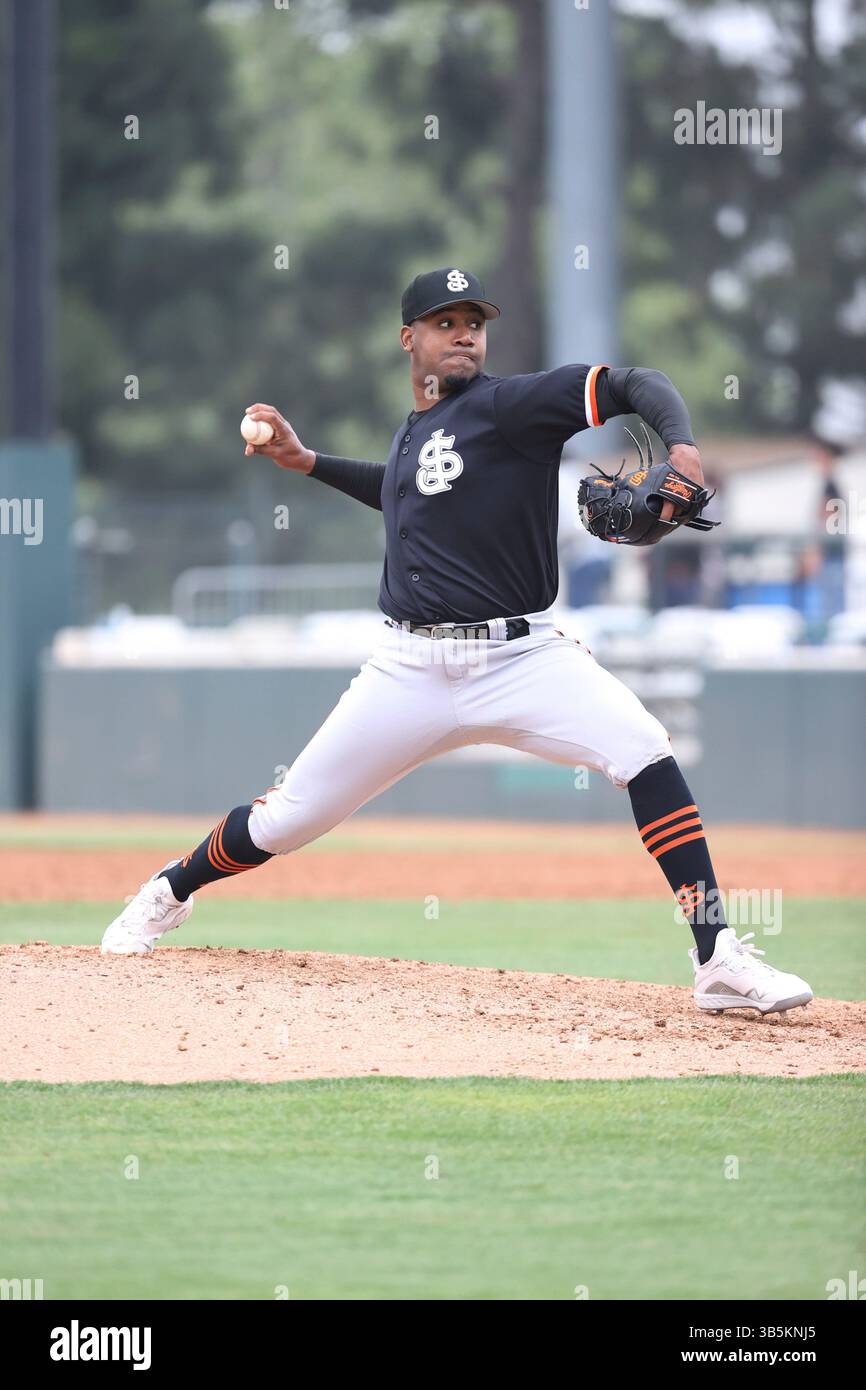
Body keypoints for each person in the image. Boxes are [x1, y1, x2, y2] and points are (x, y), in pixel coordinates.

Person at [102, 268, 812, 1015]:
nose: (465, 332)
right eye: (445, 321)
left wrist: (685, 453)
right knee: (288, 819)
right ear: (409, 338)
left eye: (474, 320)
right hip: (407, 668)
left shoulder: (512, 407)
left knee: (643, 748)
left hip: (521, 657)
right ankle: (168, 890)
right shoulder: (417, 431)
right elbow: (399, 487)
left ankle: (717, 957)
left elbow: (639, 382)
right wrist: (307, 462)